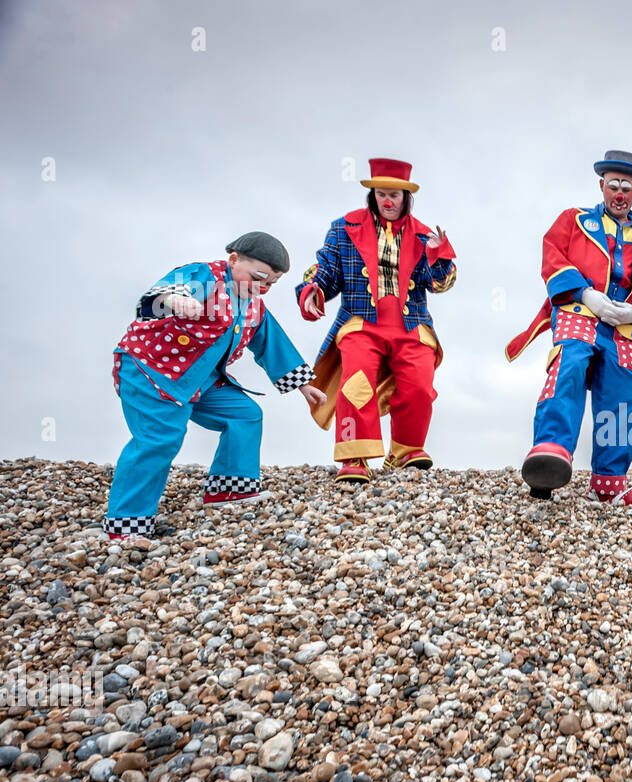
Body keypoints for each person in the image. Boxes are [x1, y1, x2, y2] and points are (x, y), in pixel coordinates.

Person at [104, 232, 324, 539]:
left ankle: (228, 488)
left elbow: (272, 344)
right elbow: (157, 297)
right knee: (160, 438)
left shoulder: (253, 307)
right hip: (151, 370)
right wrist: (176, 302)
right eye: (259, 277)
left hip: (201, 380)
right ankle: (126, 523)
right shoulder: (205, 276)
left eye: (272, 283)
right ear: (233, 260)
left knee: (244, 414)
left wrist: (303, 385)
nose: (264, 287)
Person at [506, 149, 632, 505]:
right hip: (581, 312)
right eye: (613, 185)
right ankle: (551, 451)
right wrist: (584, 292)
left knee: (625, 394)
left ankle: (609, 482)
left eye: (627, 186)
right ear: (601, 185)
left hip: (627, 329)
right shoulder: (574, 221)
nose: (619, 194)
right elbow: (552, 254)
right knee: (570, 366)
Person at [296, 158, 457, 483]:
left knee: (420, 387)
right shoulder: (344, 227)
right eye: (382, 193)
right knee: (355, 384)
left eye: (394, 195)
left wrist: (440, 255)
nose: (387, 201)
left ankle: (405, 450)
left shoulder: (424, 234)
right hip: (360, 322)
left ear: (405, 198)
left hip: (412, 324)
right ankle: (354, 456)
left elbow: (439, 283)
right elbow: (326, 271)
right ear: (372, 195)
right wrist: (312, 291)